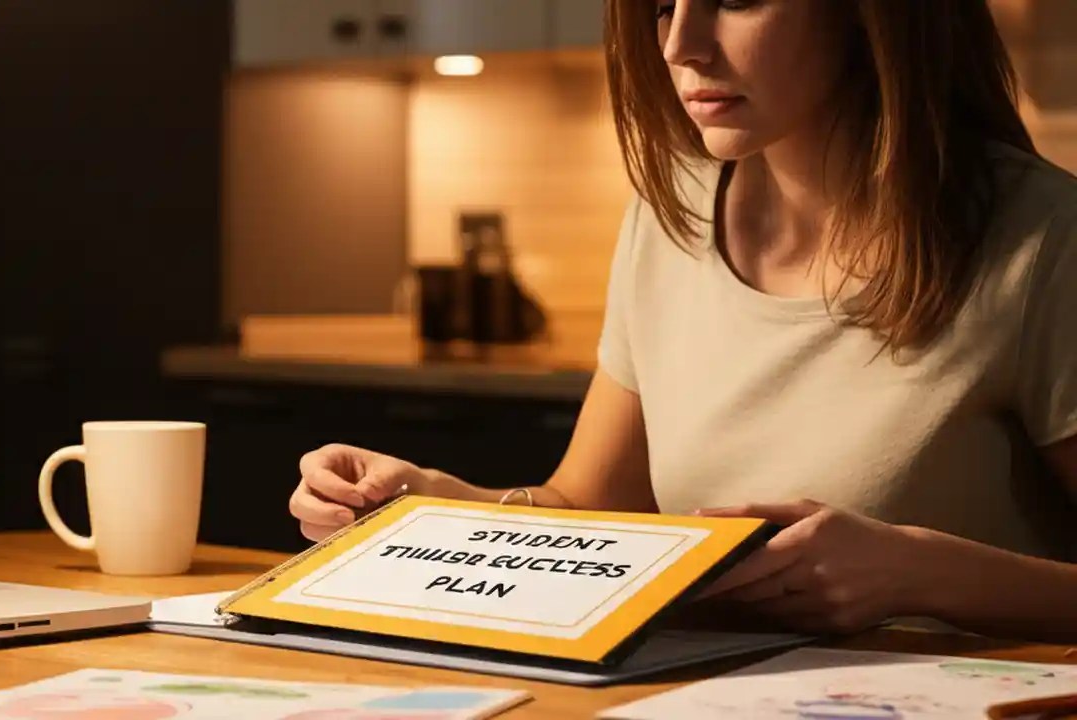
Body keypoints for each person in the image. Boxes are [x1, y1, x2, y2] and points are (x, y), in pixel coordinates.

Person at [288, 0, 1077, 642]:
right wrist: (427, 505)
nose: (680, 45)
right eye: (664, 5)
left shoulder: (1044, 241)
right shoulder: (671, 215)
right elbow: (585, 513)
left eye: (736, 0)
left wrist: (918, 573)